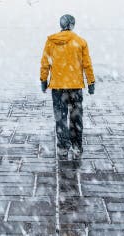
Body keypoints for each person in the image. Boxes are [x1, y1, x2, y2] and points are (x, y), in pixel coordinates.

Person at [40, 14, 96, 158]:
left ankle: (63, 147)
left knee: (60, 117)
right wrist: (91, 82)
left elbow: (45, 63)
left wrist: (43, 80)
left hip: (58, 87)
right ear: (72, 25)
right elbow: (87, 64)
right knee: (76, 117)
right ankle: (76, 146)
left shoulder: (51, 41)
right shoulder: (80, 42)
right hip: (75, 86)